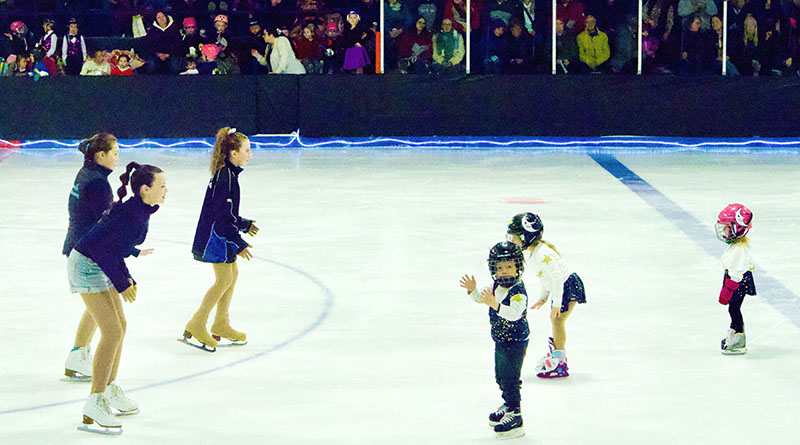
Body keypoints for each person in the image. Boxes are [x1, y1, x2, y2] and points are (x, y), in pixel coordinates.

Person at [71, 162, 167, 434]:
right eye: (161, 186)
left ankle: (110, 389)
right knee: (111, 331)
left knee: (120, 328)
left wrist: (128, 269)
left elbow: (116, 245)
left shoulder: (139, 211)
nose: (166, 190)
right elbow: (105, 251)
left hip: (98, 261)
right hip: (87, 264)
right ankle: (95, 401)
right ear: (145, 189)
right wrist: (123, 281)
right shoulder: (134, 215)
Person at [184, 128, 259, 352]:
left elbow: (226, 214)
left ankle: (221, 323)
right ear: (233, 153)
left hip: (220, 234)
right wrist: (240, 242)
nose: (249, 155)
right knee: (223, 279)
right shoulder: (225, 177)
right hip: (214, 237)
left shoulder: (227, 174)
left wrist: (243, 224)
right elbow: (221, 218)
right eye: (246, 150)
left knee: (231, 275)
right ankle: (197, 323)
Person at [62, 133, 124, 382]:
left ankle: (78, 355)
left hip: (80, 244)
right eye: (115, 153)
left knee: (98, 305)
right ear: (101, 156)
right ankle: (93, 372)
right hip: (86, 251)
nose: (118, 158)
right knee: (105, 311)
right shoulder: (98, 183)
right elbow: (104, 224)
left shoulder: (87, 173)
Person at [459, 242, 528, 440]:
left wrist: (495, 304)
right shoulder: (496, 285)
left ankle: (515, 415)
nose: (504, 272)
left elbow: (515, 314)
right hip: (501, 339)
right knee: (500, 375)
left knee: (510, 378)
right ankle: (507, 404)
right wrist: (473, 291)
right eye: (499, 267)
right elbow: (481, 298)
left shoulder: (518, 291)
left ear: (518, 267)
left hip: (515, 341)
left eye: (508, 266)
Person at [506, 213, 586, 379]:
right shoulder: (535, 253)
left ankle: (560, 360)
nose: (513, 241)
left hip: (567, 286)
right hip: (561, 287)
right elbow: (546, 278)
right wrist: (543, 297)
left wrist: (556, 304)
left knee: (557, 320)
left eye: (515, 237)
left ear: (526, 236)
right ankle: (558, 354)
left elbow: (557, 277)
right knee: (556, 320)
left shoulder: (542, 254)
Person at [715, 204, 755, 355]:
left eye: (726, 227)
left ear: (736, 228)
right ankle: (736, 333)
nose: (723, 230)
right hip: (736, 280)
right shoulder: (736, 246)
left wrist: (728, 289)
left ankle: (738, 337)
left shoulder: (739, 250)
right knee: (733, 308)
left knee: (734, 308)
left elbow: (737, 271)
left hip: (737, 282)